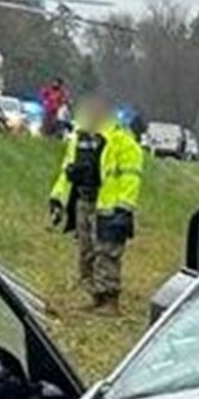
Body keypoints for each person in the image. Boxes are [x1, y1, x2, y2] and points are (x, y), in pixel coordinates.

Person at [47, 97, 144, 310]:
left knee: (107, 252)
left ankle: (109, 298)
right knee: (86, 250)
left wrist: (124, 208)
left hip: (109, 206)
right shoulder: (79, 139)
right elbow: (66, 171)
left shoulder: (122, 141)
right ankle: (93, 294)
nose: (92, 114)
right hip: (83, 201)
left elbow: (131, 177)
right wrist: (57, 198)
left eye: (96, 111)